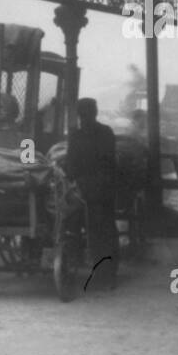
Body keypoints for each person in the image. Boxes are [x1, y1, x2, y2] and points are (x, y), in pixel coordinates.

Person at [67, 97, 118, 290]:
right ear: (95, 113)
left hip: (85, 190)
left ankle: (95, 270)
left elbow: (71, 166)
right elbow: (110, 163)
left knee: (85, 228)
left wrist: (78, 181)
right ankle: (108, 274)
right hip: (103, 190)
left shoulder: (76, 136)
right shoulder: (106, 133)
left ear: (80, 115)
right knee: (105, 231)